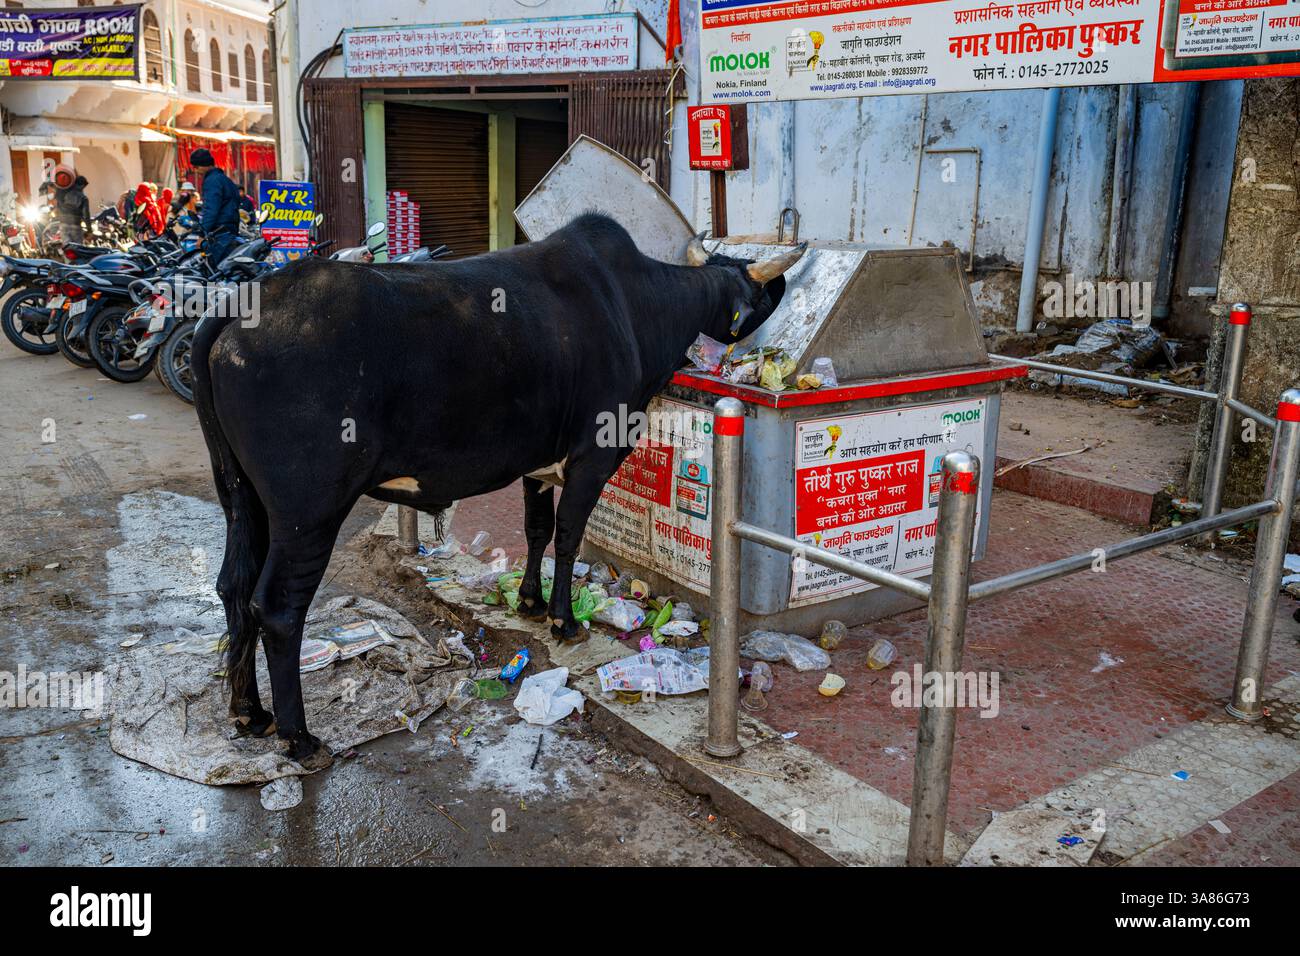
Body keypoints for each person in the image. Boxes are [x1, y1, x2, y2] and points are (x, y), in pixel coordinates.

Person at [190, 147, 240, 264]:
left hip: (219, 235)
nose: (196, 170)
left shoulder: (212, 181)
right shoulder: (225, 179)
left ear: (203, 165)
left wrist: (202, 235)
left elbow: (211, 210)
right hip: (230, 231)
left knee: (215, 272)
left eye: (196, 167)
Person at [54, 174, 91, 244]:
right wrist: (89, 230)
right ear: (82, 185)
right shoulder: (83, 198)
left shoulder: (64, 193)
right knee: (78, 249)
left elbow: (58, 207)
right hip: (75, 226)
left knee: (67, 248)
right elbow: (86, 215)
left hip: (63, 224)